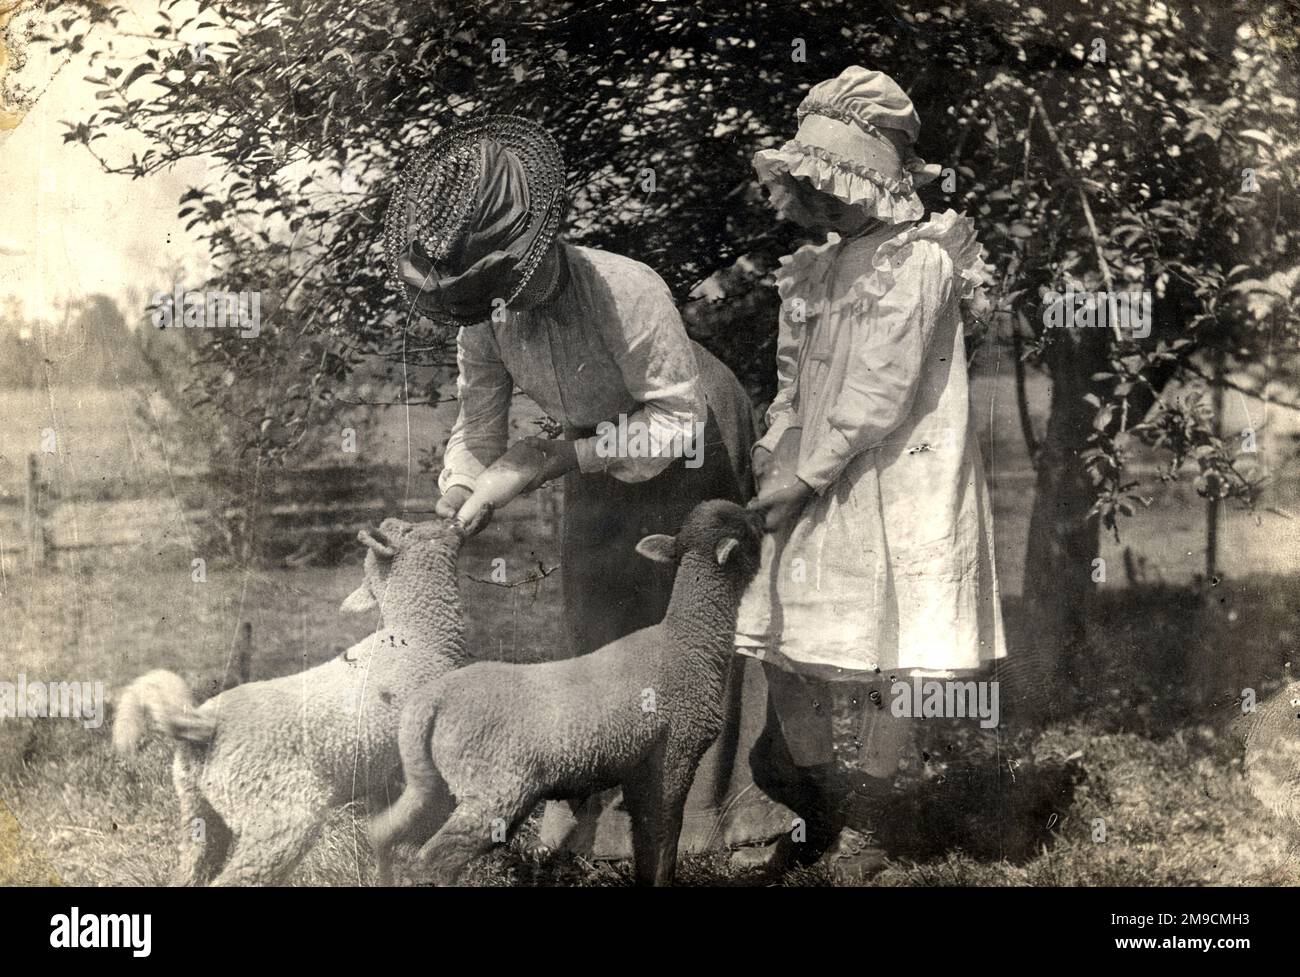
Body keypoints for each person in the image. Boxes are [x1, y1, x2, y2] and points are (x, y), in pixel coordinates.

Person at [382, 114, 791, 858]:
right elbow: (480, 427)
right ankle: (597, 803)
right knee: (598, 598)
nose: (504, 296)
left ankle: (721, 807)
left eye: (511, 277)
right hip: (592, 446)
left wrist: (560, 460)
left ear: (543, 241)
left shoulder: (627, 290)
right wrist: (458, 493)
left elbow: (672, 422)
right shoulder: (488, 317)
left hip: (689, 428)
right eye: (487, 289)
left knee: (695, 614)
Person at [736, 67, 1008, 880]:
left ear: (865, 181)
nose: (807, 197)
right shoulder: (817, 268)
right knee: (789, 637)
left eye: (824, 181)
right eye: (806, 180)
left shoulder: (918, 261)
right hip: (819, 471)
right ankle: (819, 800)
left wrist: (808, 471)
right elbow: (796, 380)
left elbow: (882, 391)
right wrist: (776, 444)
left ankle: (874, 817)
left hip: (897, 471)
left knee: (895, 645)